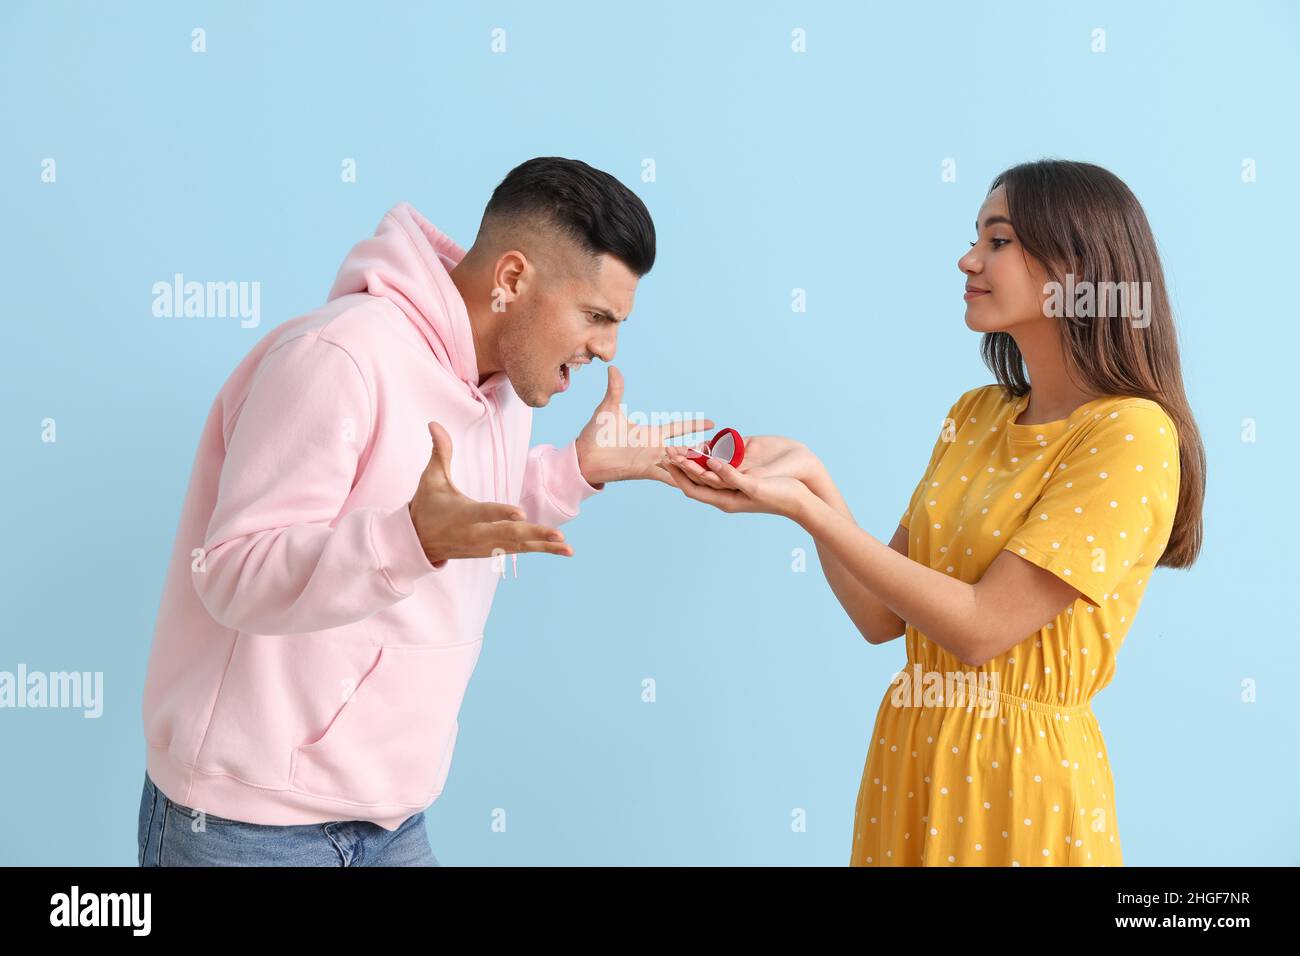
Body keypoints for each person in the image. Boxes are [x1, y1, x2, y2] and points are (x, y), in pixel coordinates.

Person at [139, 157, 710, 866]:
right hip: (246, 821)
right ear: (512, 280)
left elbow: (454, 514)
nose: (606, 348)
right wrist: (406, 540)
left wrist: (574, 472)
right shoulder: (338, 358)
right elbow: (230, 572)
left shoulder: (503, 382)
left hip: (392, 814)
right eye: (596, 316)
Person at [662, 159, 1205, 867]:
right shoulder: (975, 415)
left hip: (1020, 779)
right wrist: (812, 488)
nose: (968, 258)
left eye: (998, 240)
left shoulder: (1130, 434)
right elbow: (880, 617)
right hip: (911, 753)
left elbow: (982, 629)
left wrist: (813, 514)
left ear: (1074, 267)